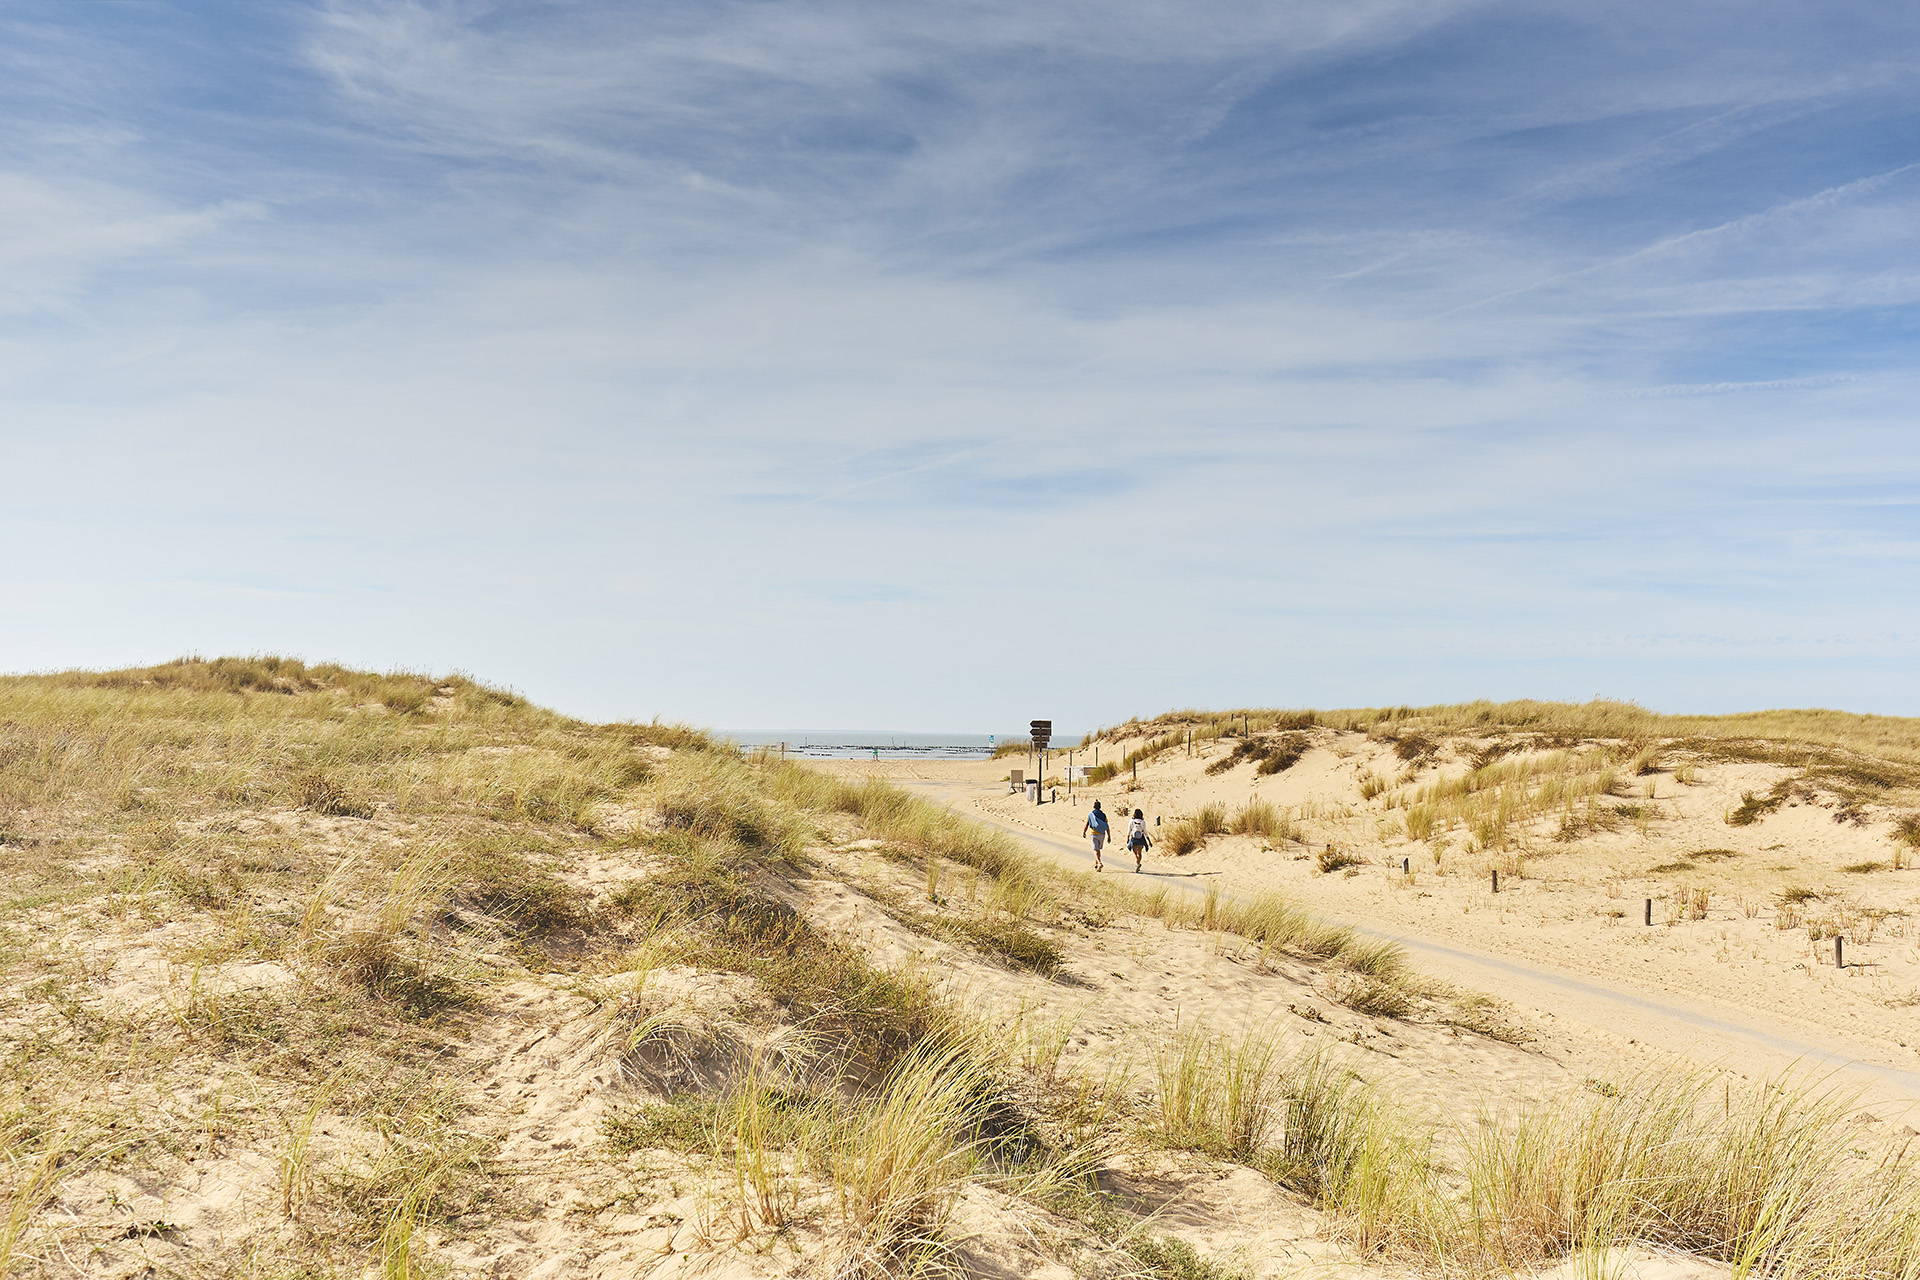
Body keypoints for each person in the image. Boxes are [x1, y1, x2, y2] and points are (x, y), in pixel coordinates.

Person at [1082, 799, 1111, 871]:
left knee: (1095, 850)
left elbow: (1087, 824)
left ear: (1093, 806)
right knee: (1098, 850)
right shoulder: (1104, 815)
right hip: (1102, 834)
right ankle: (1096, 865)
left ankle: (1100, 863)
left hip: (1094, 834)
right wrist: (1109, 836)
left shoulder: (1090, 814)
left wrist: (1084, 832)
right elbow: (1106, 826)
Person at [1126, 808, 1151, 872]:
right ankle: (1138, 864)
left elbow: (1129, 830)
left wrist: (1127, 837)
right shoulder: (1143, 822)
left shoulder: (1131, 821)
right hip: (1141, 839)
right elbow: (1145, 832)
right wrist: (1149, 841)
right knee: (1139, 853)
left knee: (1134, 852)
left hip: (1134, 839)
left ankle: (1137, 863)